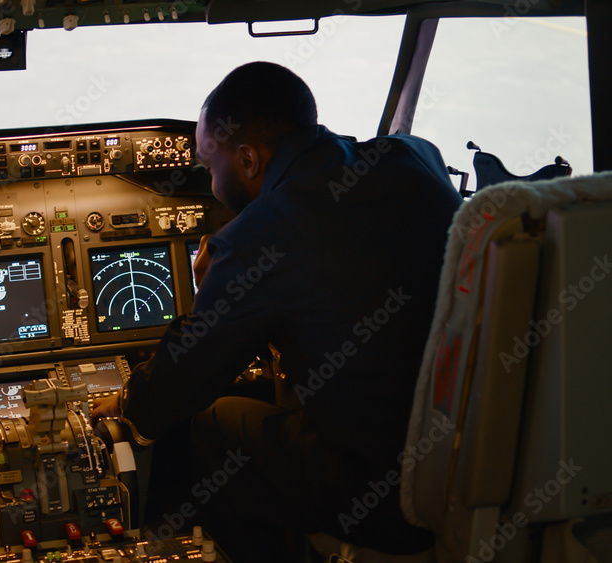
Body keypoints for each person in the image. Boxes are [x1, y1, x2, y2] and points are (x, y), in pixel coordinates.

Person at [92, 62, 463, 561]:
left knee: (213, 426)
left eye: (210, 163)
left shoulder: (259, 235)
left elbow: (182, 382)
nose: (208, 175)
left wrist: (129, 402)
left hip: (393, 499)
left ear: (247, 159)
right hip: (470, 455)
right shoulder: (414, 156)